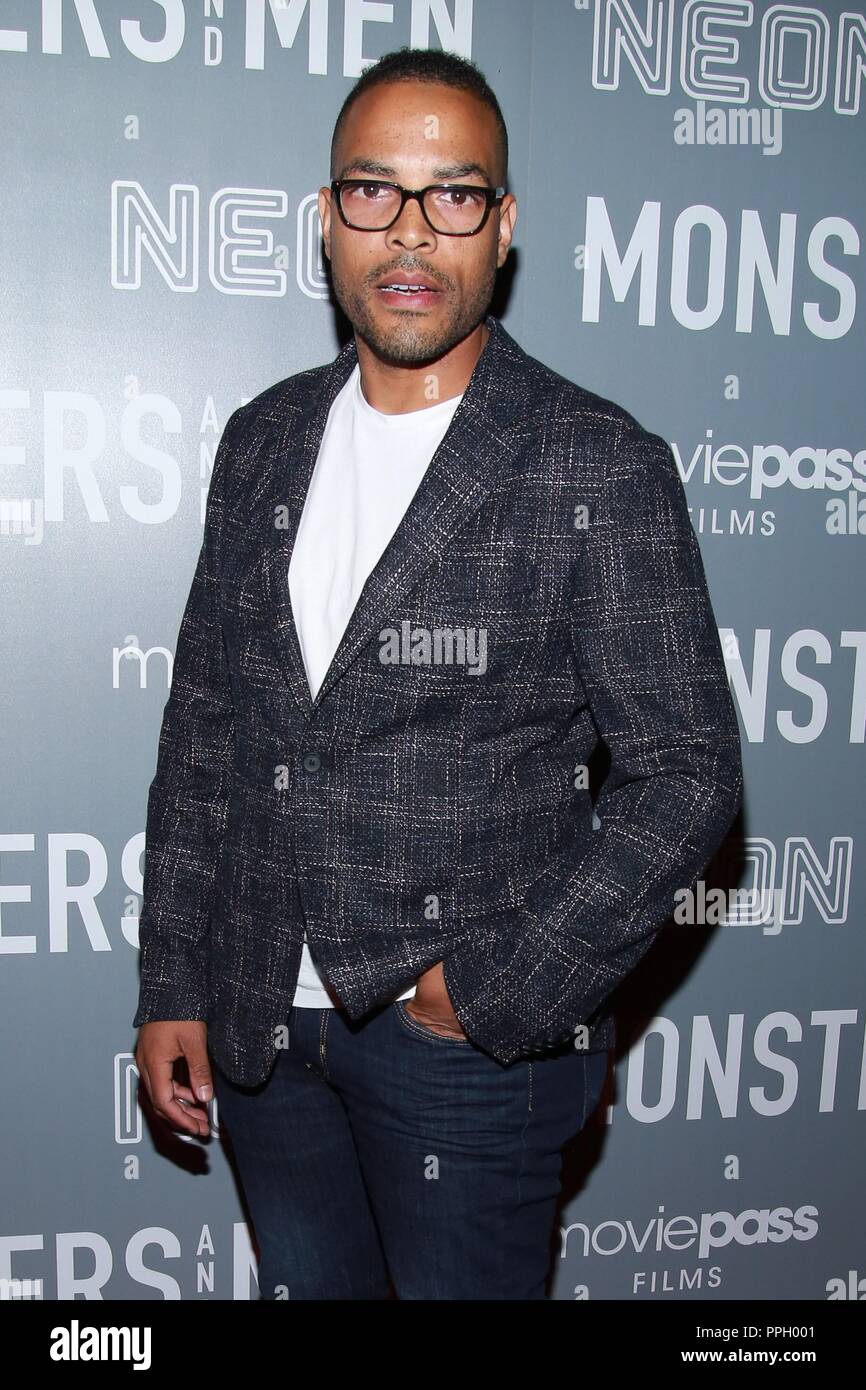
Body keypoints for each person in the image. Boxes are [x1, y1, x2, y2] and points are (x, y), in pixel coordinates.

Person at [133, 47, 743, 1300]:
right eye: (373, 192)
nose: (409, 233)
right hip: (262, 1036)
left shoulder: (594, 463)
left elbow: (685, 777)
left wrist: (486, 990)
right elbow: (207, 727)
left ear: (501, 226)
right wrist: (172, 980)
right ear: (326, 219)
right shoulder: (261, 442)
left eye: (452, 196)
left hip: (460, 1059)